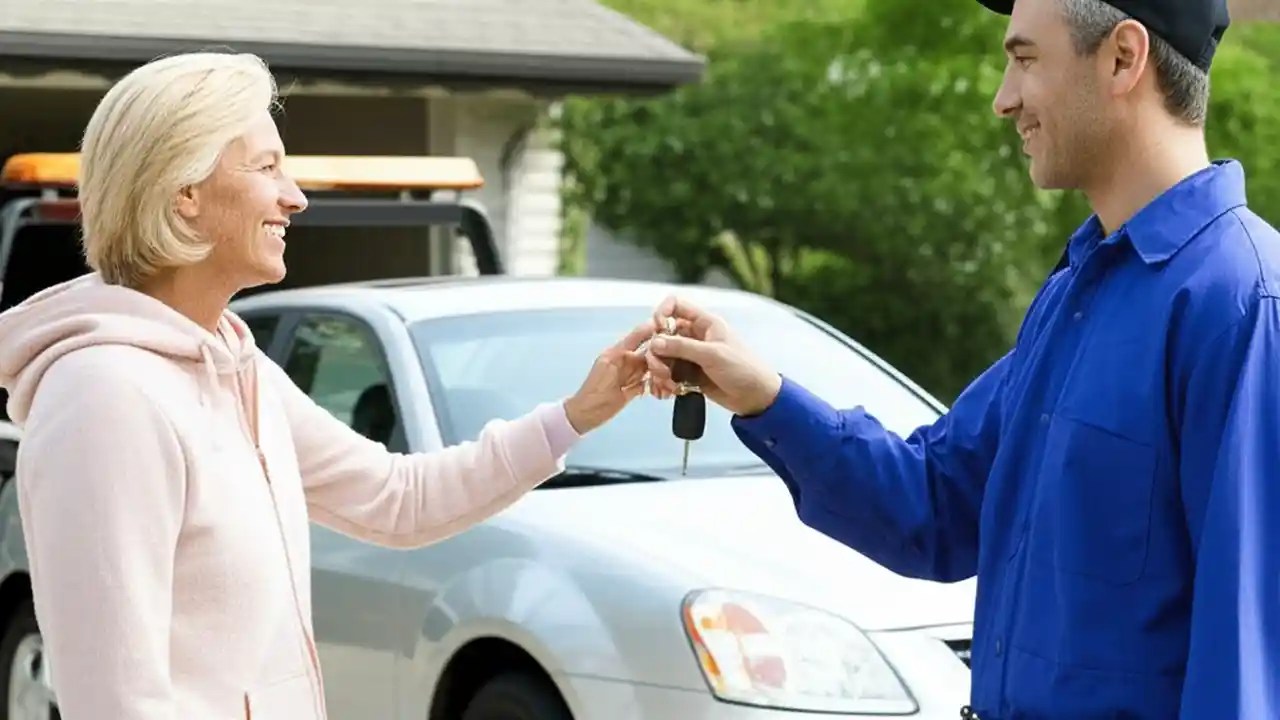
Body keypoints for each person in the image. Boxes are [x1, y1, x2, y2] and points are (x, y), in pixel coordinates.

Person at [646, 0, 1279, 717]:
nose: (1003, 99)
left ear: (1123, 59)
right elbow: (936, 503)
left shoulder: (1240, 303)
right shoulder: (1078, 291)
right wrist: (764, 395)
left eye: (1026, 59)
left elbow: (1245, 663)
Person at [0, 52, 651, 720]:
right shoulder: (105, 398)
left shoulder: (239, 368)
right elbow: (117, 703)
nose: (296, 196)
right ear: (182, 192)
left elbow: (401, 499)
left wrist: (578, 414)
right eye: (267, 166)